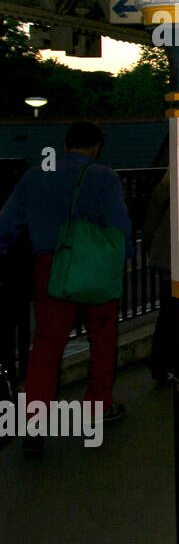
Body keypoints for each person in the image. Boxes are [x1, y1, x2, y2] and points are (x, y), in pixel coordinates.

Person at [0, 121, 131, 455]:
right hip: (95, 267)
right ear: (97, 145)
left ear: (66, 144)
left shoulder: (34, 175)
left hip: (50, 267)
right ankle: (97, 407)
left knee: (45, 344)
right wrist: (122, 259)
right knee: (102, 337)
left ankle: (34, 420)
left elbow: (8, 222)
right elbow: (120, 225)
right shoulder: (104, 176)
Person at [142, 171, 179, 386]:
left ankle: (160, 365)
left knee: (167, 312)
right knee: (174, 315)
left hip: (165, 255)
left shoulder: (165, 185)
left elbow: (150, 223)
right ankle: (167, 363)